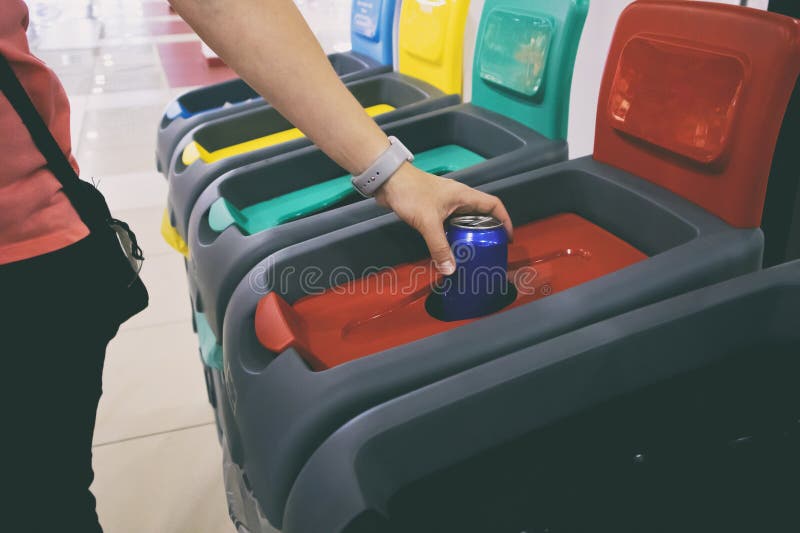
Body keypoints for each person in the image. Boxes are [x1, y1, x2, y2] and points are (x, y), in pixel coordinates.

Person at [1, 0, 512, 530]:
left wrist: (392, 174)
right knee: (38, 497)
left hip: (25, 254)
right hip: (28, 251)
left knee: (36, 496)